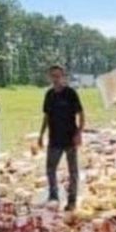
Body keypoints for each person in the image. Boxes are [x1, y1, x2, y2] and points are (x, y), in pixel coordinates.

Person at [38, 64, 85, 212]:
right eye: (53, 76)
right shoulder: (49, 95)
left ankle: (71, 201)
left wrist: (79, 133)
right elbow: (46, 116)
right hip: (54, 139)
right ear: (49, 77)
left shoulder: (70, 93)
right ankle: (54, 197)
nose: (56, 79)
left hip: (70, 138)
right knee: (50, 169)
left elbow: (81, 114)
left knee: (73, 172)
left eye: (58, 76)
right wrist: (41, 135)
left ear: (63, 77)